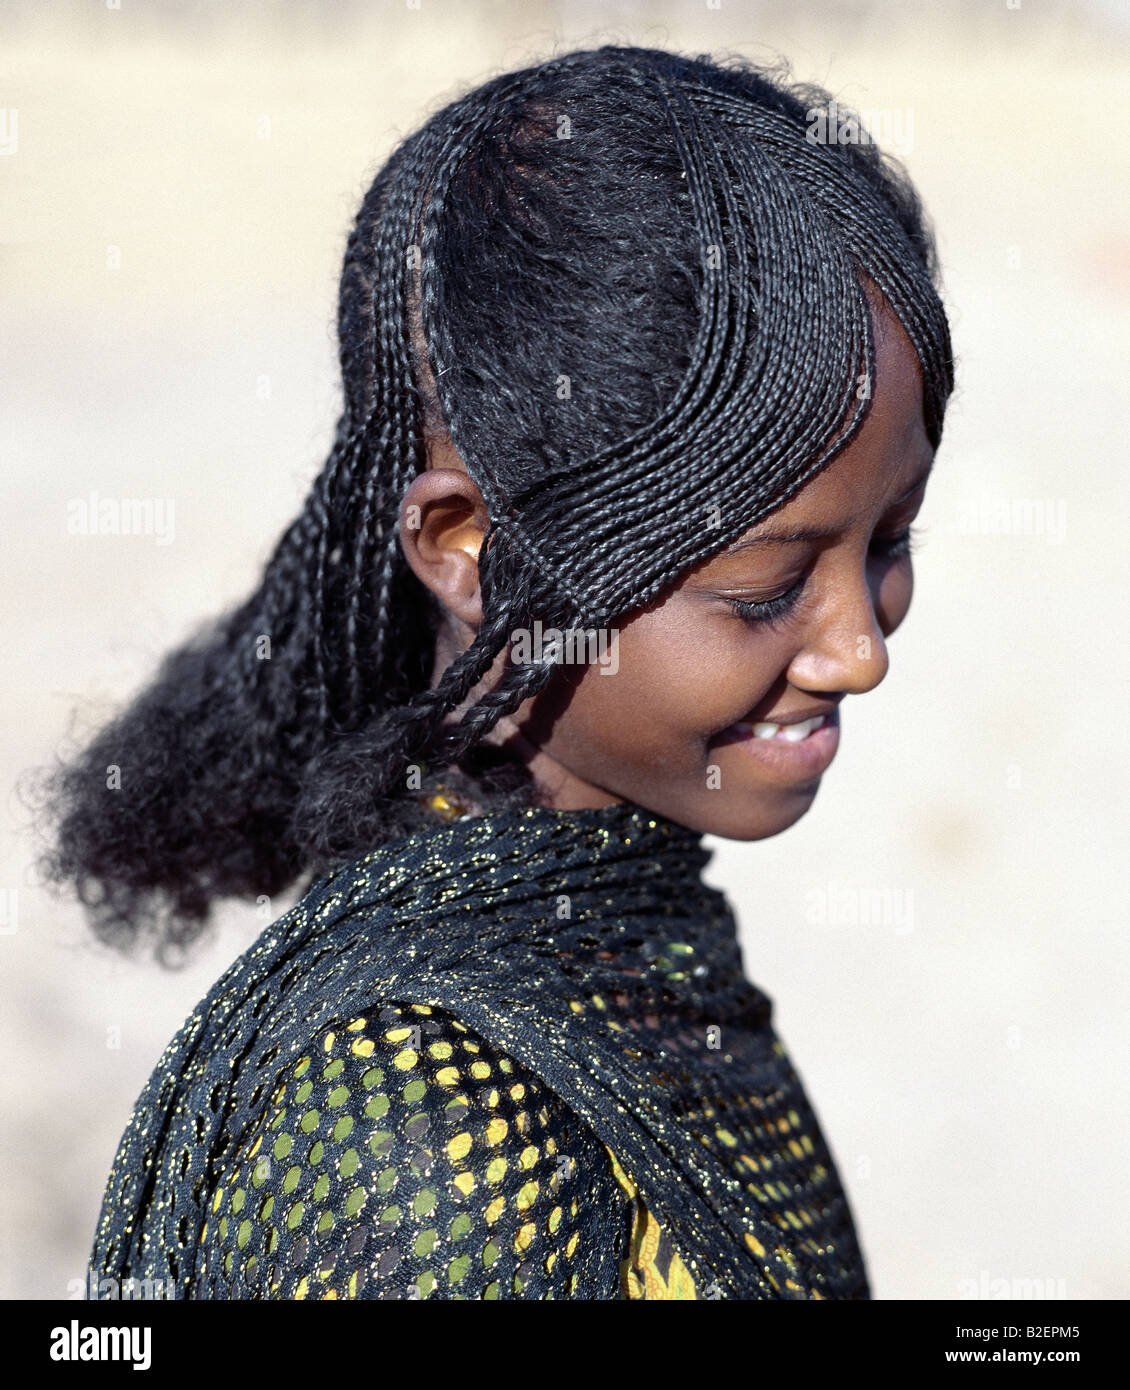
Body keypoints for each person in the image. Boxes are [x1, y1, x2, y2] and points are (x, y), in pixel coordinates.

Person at [45, 44, 954, 1299]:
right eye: (765, 589)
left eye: (889, 541)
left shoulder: (632, 934)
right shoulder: (423, 1125)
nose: (859, 651)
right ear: (468, 547)